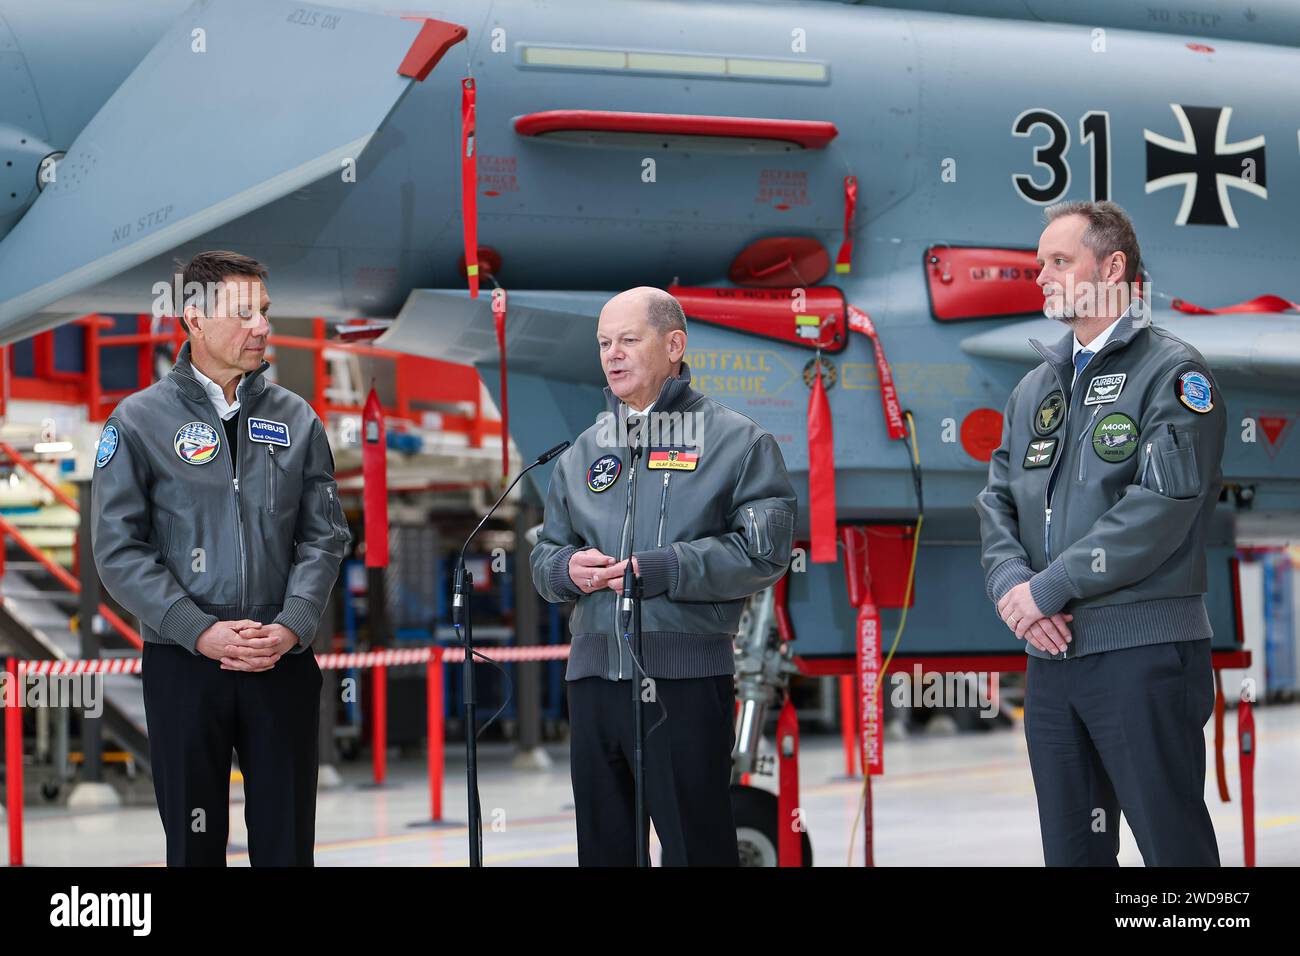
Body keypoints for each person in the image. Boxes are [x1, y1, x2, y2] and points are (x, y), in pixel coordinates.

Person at [976, 201, 1226, 866]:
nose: (1043, 276)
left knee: (1173, 852)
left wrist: (1050, 588)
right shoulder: (1035, 389)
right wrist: (1014, 590)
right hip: (1054, 663)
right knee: (1073, 854)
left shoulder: (1173, 374)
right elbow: (998, 500)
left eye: (1060, 261)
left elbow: (1161, 507)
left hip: (1143, 655)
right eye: (1040, 265)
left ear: (1112, 267)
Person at [92, 250, 351, 865]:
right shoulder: (138, 422)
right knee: (194, 844)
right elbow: (119, 550)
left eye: (265, 311)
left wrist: (292, 625)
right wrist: (197, 629)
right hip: (186, 665)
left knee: (287, 844)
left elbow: (325, 536)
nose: (262, 326)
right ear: (194, 320)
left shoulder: (297, 419)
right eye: (245, 314)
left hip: (279, 661)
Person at [530, 286, 797, 866]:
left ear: (674, 344)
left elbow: (764, 553)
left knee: (695, 849)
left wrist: (669, 568)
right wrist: (564, 568)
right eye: (604, 342)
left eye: (629, 339)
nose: (612, 354)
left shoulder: (738, 442)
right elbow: (545, 553)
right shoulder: (582, 452)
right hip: (595, 680)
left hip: (682, 685)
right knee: (603, 851)